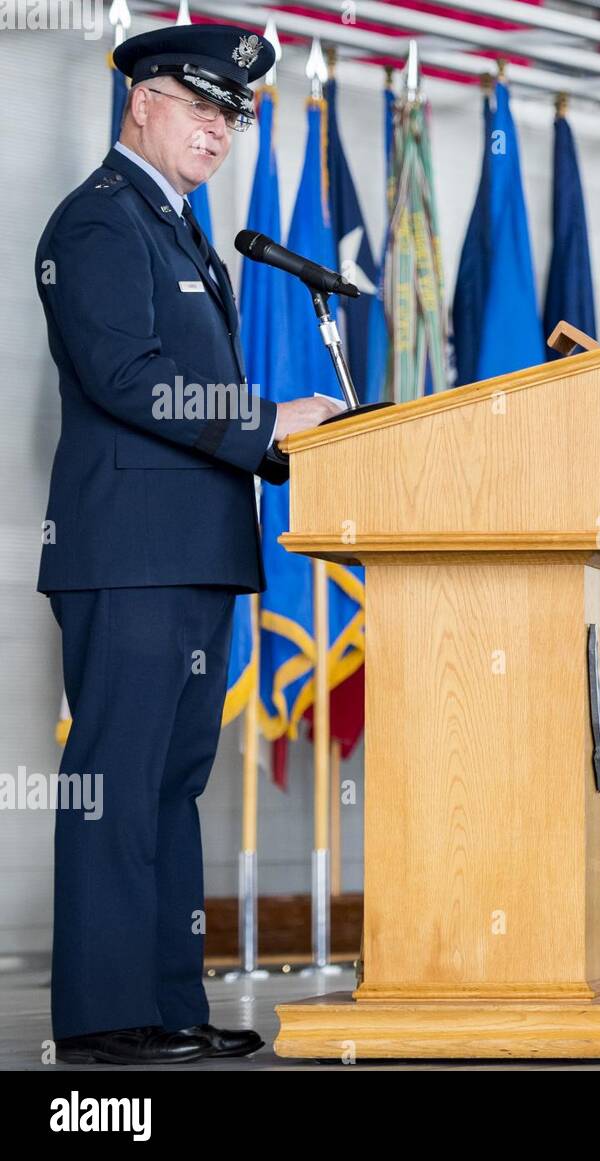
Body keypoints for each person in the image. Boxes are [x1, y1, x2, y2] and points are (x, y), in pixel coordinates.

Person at [36, 24, 343, 1065]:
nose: (219, 129)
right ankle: (103, 1018)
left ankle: (163, 1005)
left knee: (169, 786)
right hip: (130, 555)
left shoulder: (176, 229)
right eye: (201, 105)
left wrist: (282, 438)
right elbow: (130, 378)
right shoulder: (99, 225)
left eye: (233, 116)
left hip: (194, 551)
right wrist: (266, 423)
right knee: (118, 781)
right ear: (140, 102)